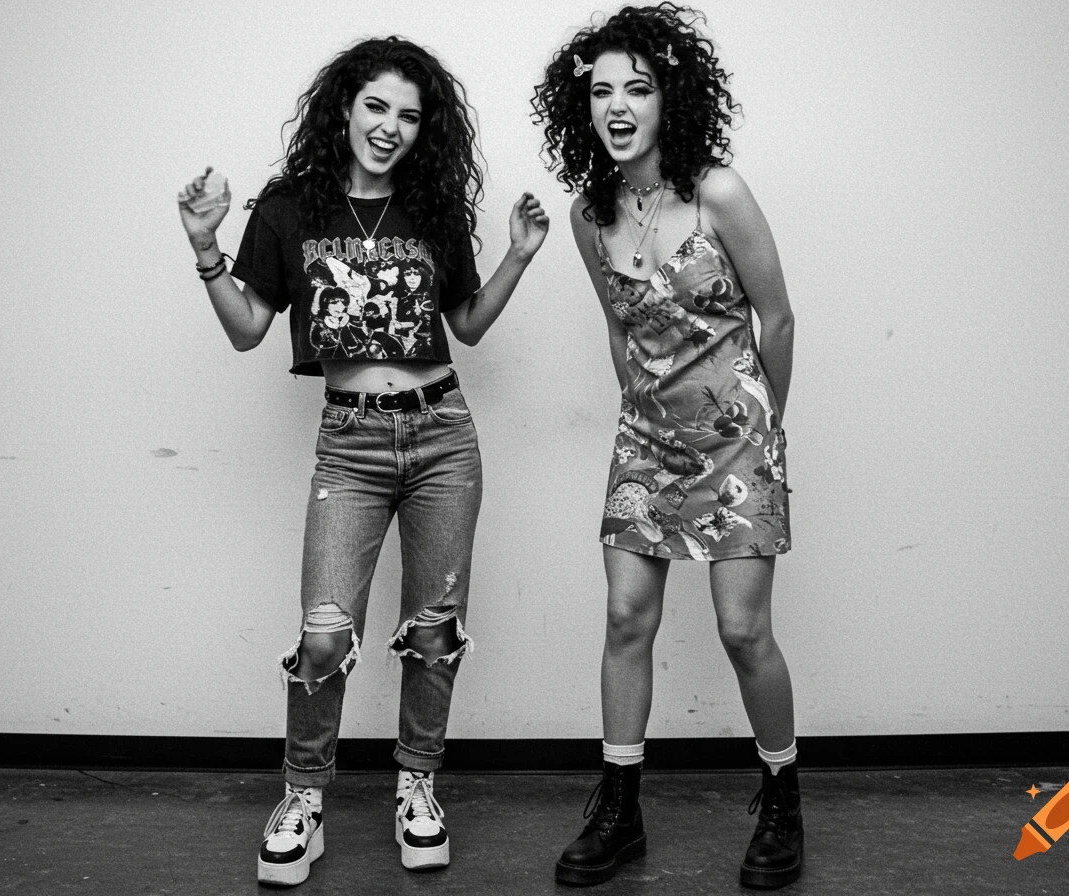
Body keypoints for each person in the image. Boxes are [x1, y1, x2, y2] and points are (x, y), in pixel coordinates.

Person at [177, 36, 548, 887]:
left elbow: (469, 326)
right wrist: (204, 246)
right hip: (349, 441)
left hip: (444, 434)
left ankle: (417, 786)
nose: (389, 127)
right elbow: (246, 330)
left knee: (433, 632)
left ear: (427, 130)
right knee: (325, 632)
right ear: (343, 107)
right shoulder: (288, 210)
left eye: (409, 116)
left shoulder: (433, 207)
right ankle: (303, 800)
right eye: (376, 107)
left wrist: (520, 258)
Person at [531, 4, 801, 888]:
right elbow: (621, 327)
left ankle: (781, 794)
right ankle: (620, 810)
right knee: (624, 619)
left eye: (636, 89)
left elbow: (779, 317)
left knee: (740, 629)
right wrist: (641, 415)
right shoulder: (587, 212)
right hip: (647, 440)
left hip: (739, 442)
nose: (617, 105)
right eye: (602, 90)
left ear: (667, 102)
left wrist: (765, 432)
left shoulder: (718, 192)